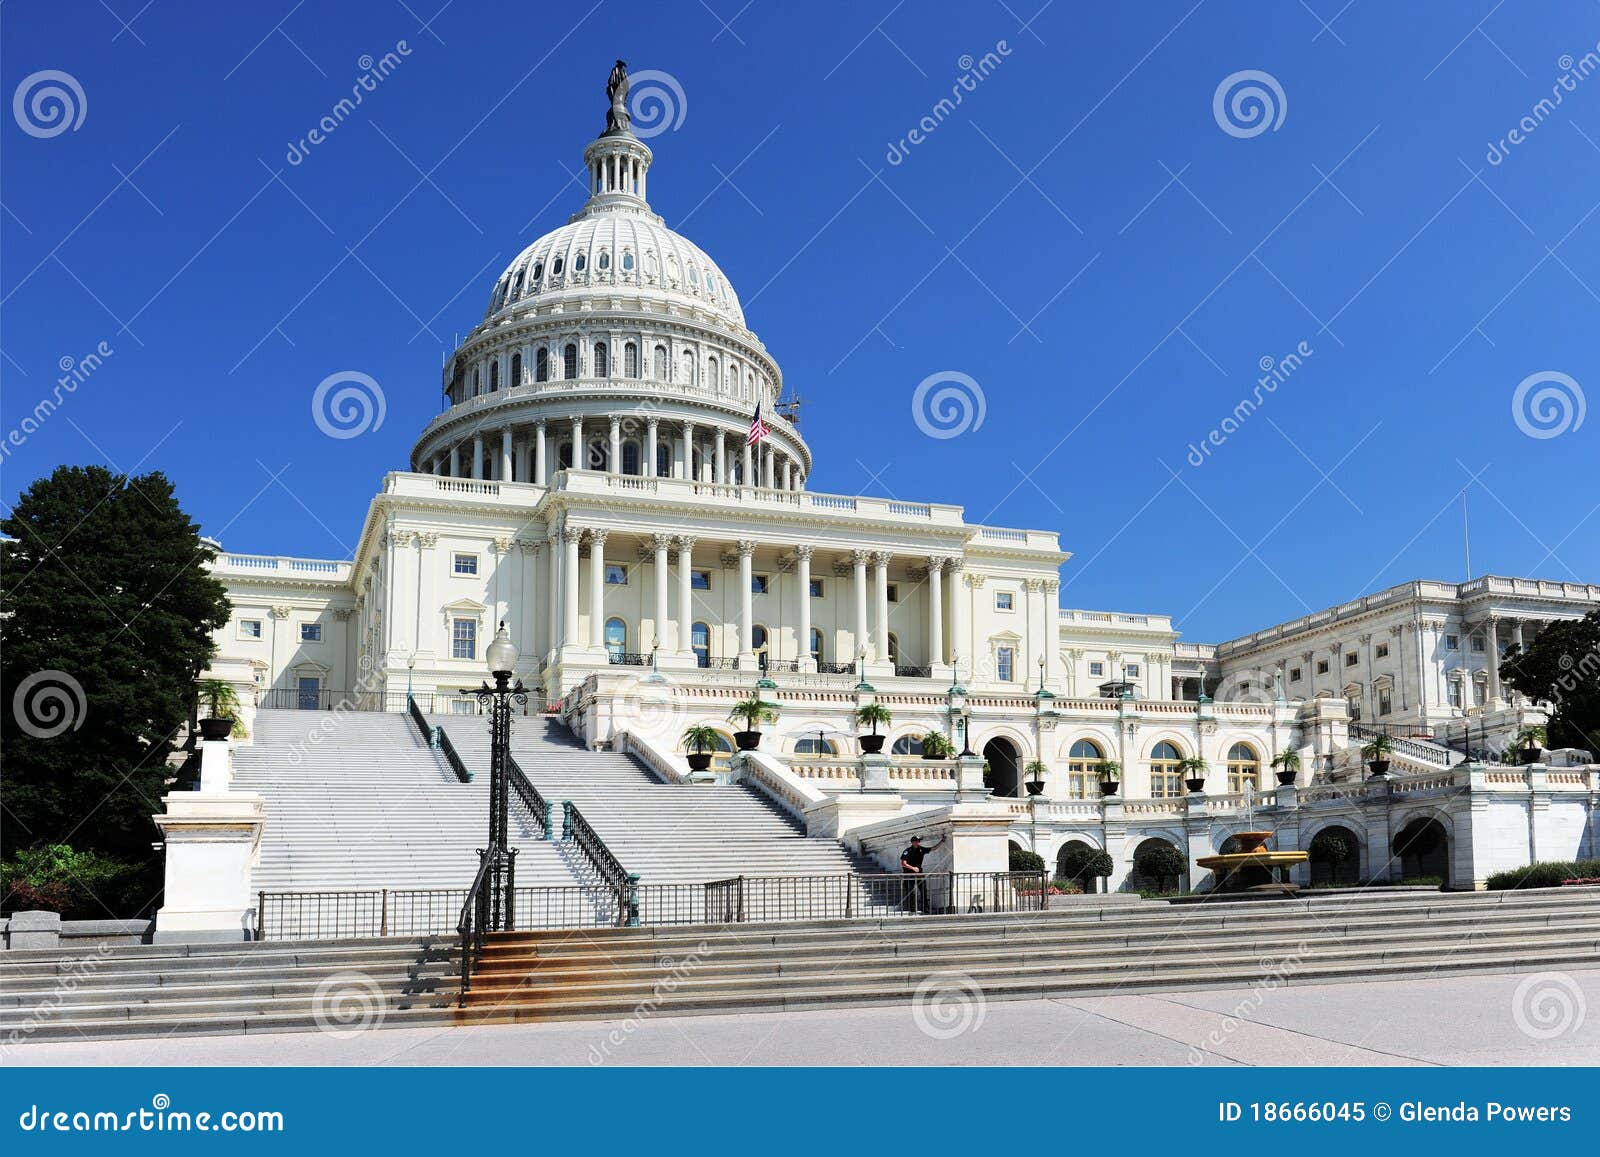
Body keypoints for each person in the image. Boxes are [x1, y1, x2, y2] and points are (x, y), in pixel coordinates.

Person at [899, 834, 945, 913]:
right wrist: (913, 868)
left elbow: (933, 848)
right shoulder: (907, 851)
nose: (918, 842)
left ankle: (925, 908)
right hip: (909, 874)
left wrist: (942, 841)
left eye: (919, 841)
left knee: (923, 890)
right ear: (913, 842)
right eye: (917, 841)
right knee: (910, 891)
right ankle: (912, 909)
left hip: (919, 873)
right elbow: (903, 863)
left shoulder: (921, 849)